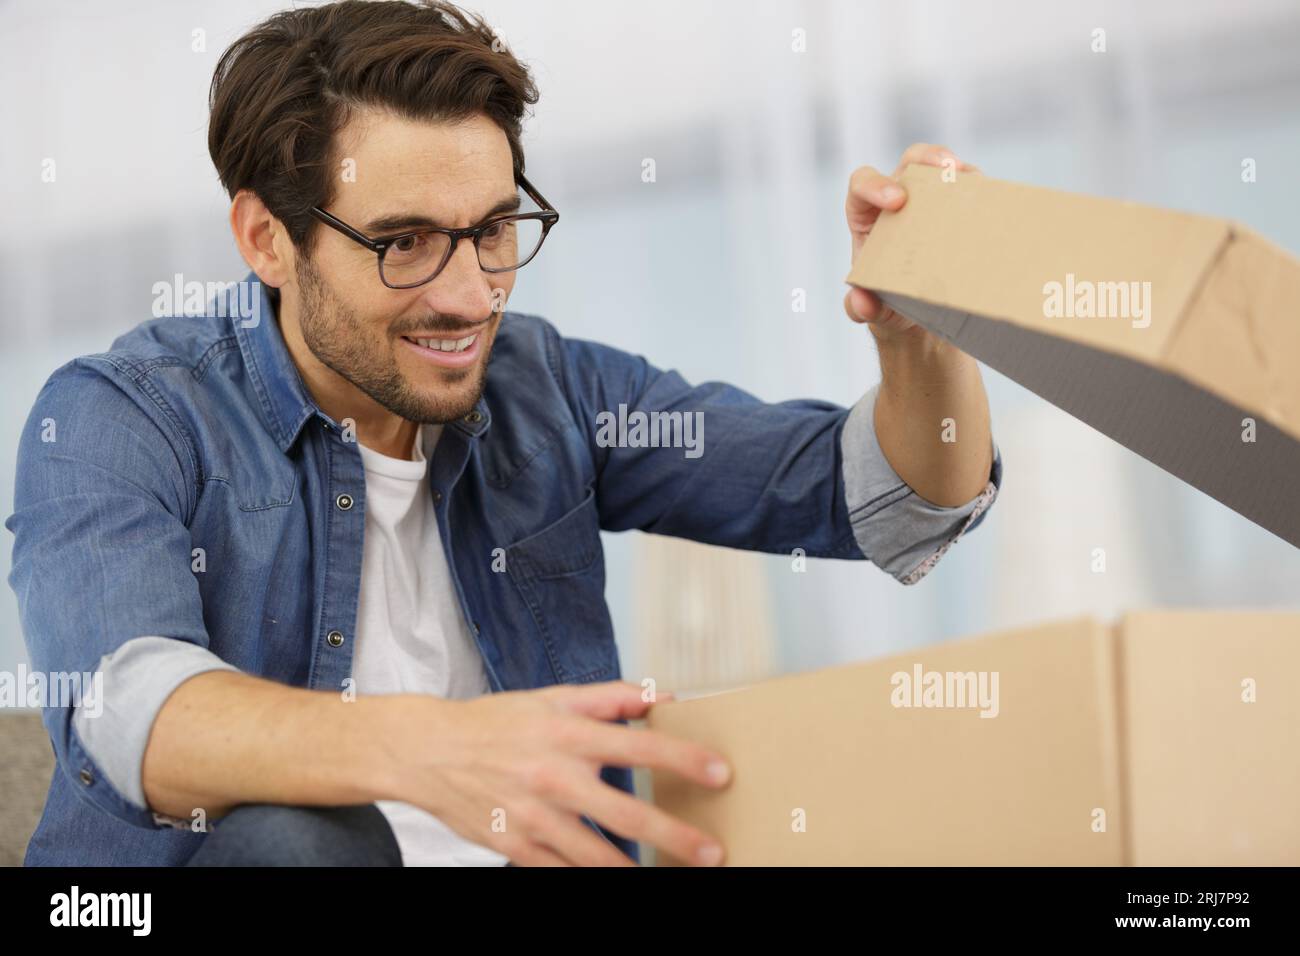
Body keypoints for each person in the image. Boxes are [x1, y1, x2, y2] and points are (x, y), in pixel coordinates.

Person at [8, 0, 1000, 867]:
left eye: (490, 229)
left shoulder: (549, 389)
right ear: (267, 238)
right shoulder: (124, 411)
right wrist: (429, 746)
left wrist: (919, 333)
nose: (467, 294)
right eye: (402, 243)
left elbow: (897, 501)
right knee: (301, 839)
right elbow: (126, 711)